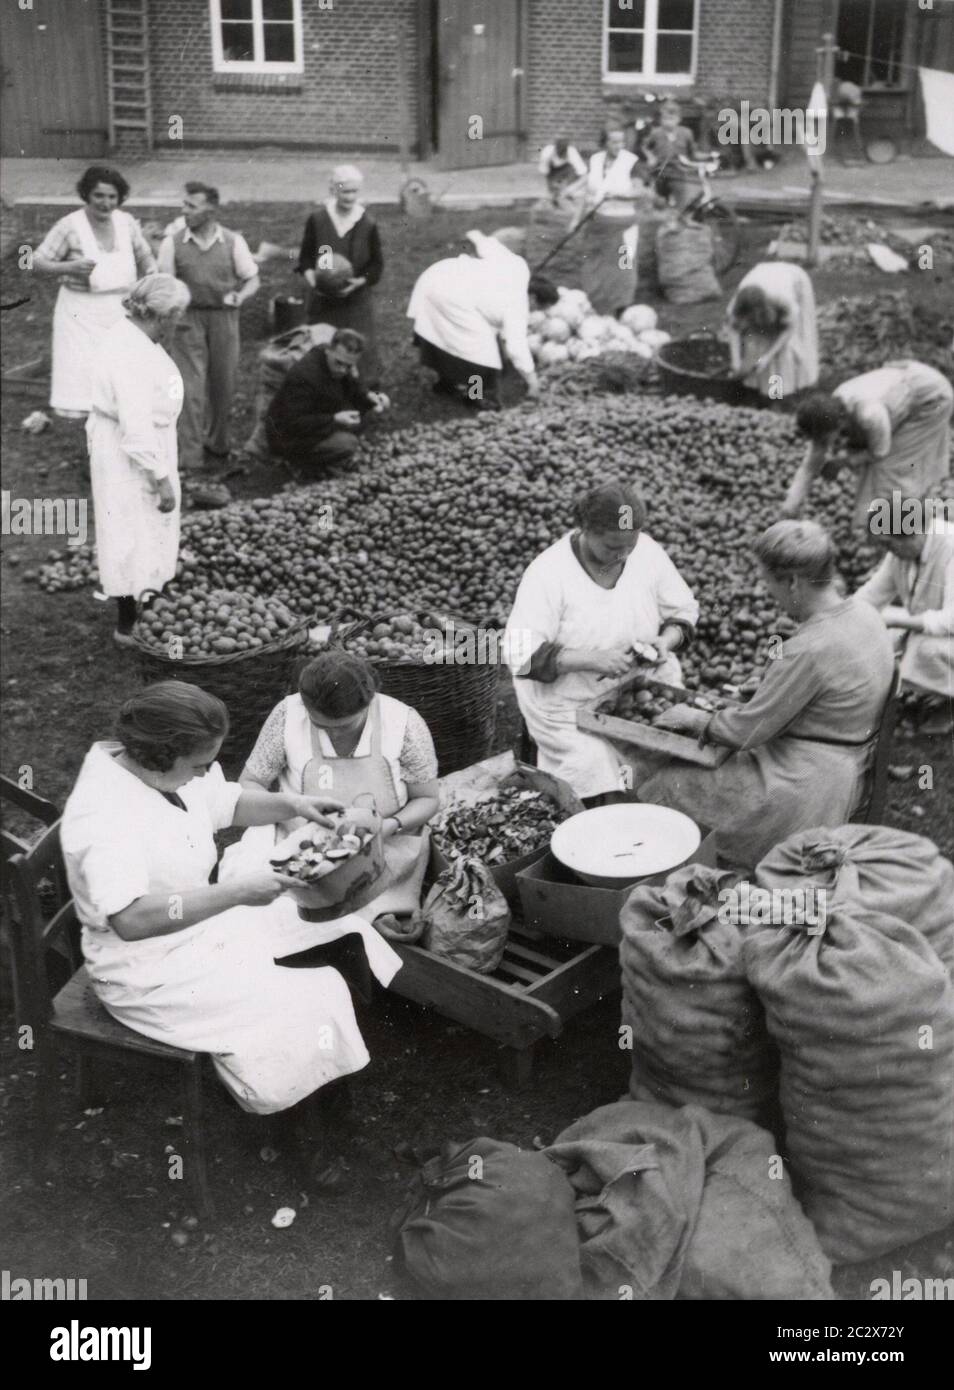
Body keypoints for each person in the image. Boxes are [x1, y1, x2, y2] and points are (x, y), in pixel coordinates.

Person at [60, 682, 402, 1191]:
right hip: (148, 969)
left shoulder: (153, 768)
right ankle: (302, 1139)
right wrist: (240, 892)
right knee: (306, 998)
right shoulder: (105, 817)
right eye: (200, 764)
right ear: (163, 754)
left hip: (198, 929)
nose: (205, 773)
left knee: (340, 928)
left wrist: (297, 805)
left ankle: (328, 1099)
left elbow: (224, 802)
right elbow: (131, 920)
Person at [635, 520, 895, 870]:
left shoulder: (808, 649)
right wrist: (773, 689)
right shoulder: (865, 613)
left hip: (802, 783)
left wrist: (694, 717)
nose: (769, 594)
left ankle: (678, 870)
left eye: (769, 583)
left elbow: (746, 732)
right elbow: (841, 683)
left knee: (666, 782)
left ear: (792, 582)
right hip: (846, 759)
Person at [504, 480, 699, 804]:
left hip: (637, 685)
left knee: (665, 753)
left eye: (630, 546)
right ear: (585, 530)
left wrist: (666, 640)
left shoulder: (646, 552)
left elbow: (683, 610)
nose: (623, 555)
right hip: (568, 701)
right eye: (611, 548)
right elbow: (519, 654)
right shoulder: (548, 574)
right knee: (593, 766)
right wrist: (593, 659)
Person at [223, 651, 440, 934]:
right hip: (299, 843)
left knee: (372, 921)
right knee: (257, 908)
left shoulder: (403, 723)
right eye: (321, 725)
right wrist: (293, 807)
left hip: (384, 845)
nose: (335, 735)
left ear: (370, 700)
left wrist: (386, 827)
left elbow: (427, 798)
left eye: (345, 726)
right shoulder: (287, 716)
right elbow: (251, 784)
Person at [85, 274, 190, 648]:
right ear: (165, 315)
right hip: (128, 448)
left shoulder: (136, 337)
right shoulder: (127, 351)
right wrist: (160, 476)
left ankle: (149, 596)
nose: (179, 323)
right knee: (127, 528)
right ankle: (127, 622)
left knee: (147, 525)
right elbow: (135, 423)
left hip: (141, 441)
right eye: (178, 316)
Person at [33, 165, 156, 419]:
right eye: (99, 196)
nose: (106, 203)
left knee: (121, 369)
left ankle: (119, 418)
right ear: (87, 195)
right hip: (81, 311)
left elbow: (144, 254)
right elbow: (34, 261)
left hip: (121, 308)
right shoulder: (69, 225)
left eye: (112, 197)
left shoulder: (127, 222)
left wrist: (152, 273)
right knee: (84, 372)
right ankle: (89, 428)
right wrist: (68, 266)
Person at [157, 182, 260, 473]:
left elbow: (252, 278)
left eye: (191, 205)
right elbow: (166, 285)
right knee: (189, 389)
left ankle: (218, 443)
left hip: (224, 320)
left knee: (223, 384)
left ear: (211, 210)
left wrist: (242, 295)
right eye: (184, 204)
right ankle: (190, 456)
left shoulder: (232, 242)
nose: (184, 210)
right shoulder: (172, 243)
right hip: (187, 320)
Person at [787, 360, 954, 530]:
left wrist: (843, 462)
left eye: (824, 439)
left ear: (840, 424)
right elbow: (809, 465)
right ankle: (883, 519)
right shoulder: (831, 410)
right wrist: (789, 508)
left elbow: (879, 453)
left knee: (891, 466)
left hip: (931, 398)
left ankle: (895, 528)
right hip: (904, 386)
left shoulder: (870, 415)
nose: (822, 444)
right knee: (866, 454)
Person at [407, 230, 545, 408]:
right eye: (536, 306)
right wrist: (533, 381)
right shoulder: (516, 303)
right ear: (532, 297)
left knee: (443, 337)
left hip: (438, 276)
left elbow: (482, 241)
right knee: (480, 355)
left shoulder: (517, 265)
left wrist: (474, 235)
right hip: (451, 295)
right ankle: (474, 395)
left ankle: (445, 382)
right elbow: (516, 345)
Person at [855, 501, 953, 733]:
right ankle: (931, 693)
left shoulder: (950, 546)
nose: (888, 551)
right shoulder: (902, 551)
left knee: (924, 648)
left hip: (946, 630)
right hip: (939, 630)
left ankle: (949, 705)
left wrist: (894, 621)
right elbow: (871, 596)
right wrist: (836, 617)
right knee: (876, 633)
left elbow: (951, 620)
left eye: (890, 543)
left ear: (914, 534)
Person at [296, 165, 384, 384]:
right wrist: (313, 279)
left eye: (355, 191)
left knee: (358, 349)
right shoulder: (318, 220)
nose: (350, 197)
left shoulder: (367, 223)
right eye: (345, 191)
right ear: (334, 190)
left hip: (355, 301)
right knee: (323, 348)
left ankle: (361, 395)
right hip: (324, 301)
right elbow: (305, 258)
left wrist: (360, 281)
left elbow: (377, 264)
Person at [265, 327, 389, 470]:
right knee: (347, 444)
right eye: (339, 363)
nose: (343, 370)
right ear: (328, 351)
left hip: (316, 419)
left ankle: (323, 454)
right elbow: (293, 423)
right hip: (286, 436)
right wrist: (334, 420)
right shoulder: (305, 376)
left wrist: (371, 397)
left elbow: (352, 383)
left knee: (361, 415)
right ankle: (297, 464)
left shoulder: (335, 359)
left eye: (349, 366)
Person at [726, 262, 819, 399]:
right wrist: (736, 362)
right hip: (761, 272)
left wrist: (768, 356)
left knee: (785, 350)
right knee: (755, 342)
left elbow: (788, 331)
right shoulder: (737, 304)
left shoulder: (782, 299)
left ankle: (779, 393)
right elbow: (734, 330)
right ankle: (756, 388)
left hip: (793, 277)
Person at [579, 127, 646, 317]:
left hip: (624, 224)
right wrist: (577, 218)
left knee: (624, 263)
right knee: (594, 264)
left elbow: (639, 192)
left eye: (621, 142)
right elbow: (587, 192)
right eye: (613, 142)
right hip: (598, 223)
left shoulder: (631, 162)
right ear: (604, 142)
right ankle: (595, 304)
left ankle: (621, 307)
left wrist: (619, 195)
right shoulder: (595, 160)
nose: (618, 146)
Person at [641, 100, 698, 208]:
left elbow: (692, 153)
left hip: (679, 174)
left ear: (679, 119)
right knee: (660, 205)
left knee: (681, 205)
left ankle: (679, 222)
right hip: (660, 174)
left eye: (672, 118)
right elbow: (645, 147)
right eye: (665, 118)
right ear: (661, 119)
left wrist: (692, 161)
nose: (668, 122)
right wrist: (650, 157)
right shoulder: (656, 133)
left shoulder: (686, 133)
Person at [538, 138, 587, 206]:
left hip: (567, 171)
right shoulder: (547, 152)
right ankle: (555, 195)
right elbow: (544, 173)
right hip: (552, 171)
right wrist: (551, 190)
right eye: (559, 152)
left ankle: (567, 194)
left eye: (563, 153)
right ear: (555, 149)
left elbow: (584, 176)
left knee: (569, 194)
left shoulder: (572, 152)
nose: (561, 155)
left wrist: (571, 188)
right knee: (552, 194)